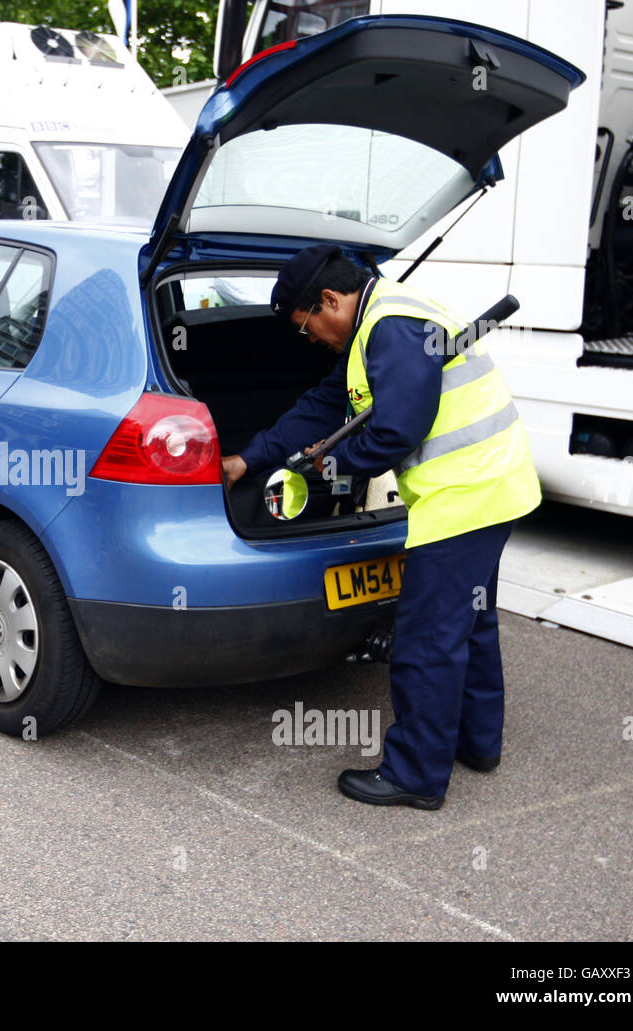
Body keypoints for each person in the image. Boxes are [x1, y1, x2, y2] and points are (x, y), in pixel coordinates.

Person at [221, 244, 542, 810]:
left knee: (427, 640)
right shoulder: (378, 321)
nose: (312, 338)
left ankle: (415, 776)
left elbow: (397, 429)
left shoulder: (391, 326)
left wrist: (330, 468)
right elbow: (324, 406)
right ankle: (476, 744)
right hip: (495, 484)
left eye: (307, 327)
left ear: (329, 300)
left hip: (463, 496)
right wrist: (252, 458)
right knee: (471, 622)